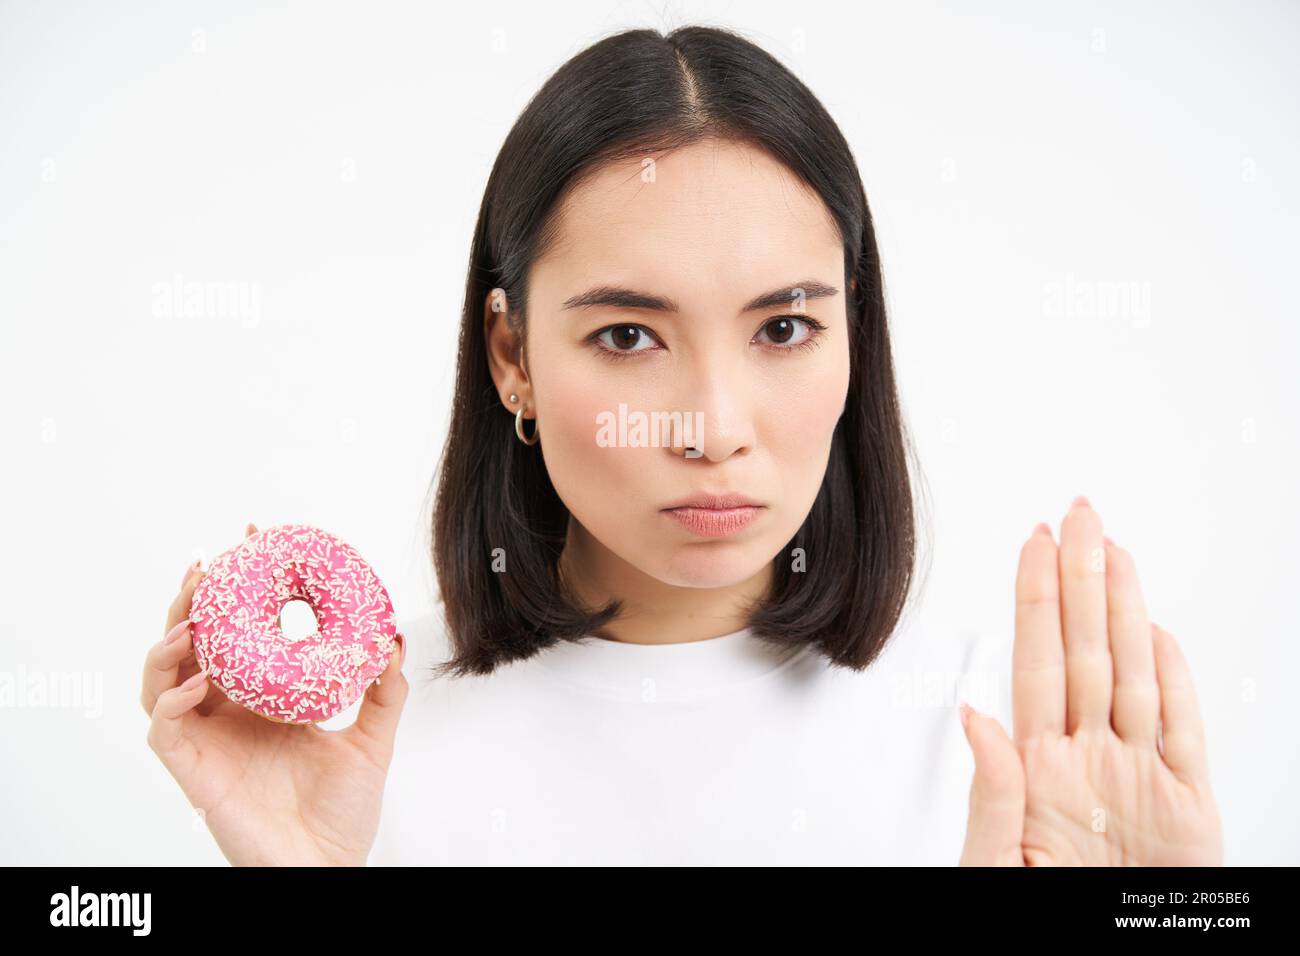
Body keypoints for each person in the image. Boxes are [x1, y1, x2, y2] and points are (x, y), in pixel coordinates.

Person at [142, 25, 1223, 866]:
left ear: (855, 337)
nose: (711, 428)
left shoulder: (1021, 748)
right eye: (627, 335)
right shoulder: (359, 751)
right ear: (511, 355)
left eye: (783, 328)